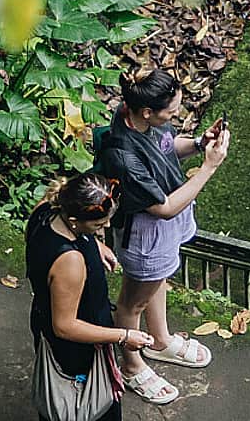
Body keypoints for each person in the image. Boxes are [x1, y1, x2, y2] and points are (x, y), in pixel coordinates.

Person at [95, 67, 231, 404]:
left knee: (158, 281)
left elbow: (167, 146)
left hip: (165, 225)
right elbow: (164, 208)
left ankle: (159, 340)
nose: (176, 115)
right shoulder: (124, 157)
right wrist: (210, 167)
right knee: (132, 302)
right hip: (146, 234)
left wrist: (199, 144)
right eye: (171, 111)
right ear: (147, 112)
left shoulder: (137, 114)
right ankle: (131, 365)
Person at [25, 173, 154, 421]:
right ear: (75, 221)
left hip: (44, 317)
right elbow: (64, 326)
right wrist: (124, 336)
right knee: (86, 401)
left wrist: (95, 245)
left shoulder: (46, 209)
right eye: (98, 225)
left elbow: (64, 233)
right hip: (77, 350)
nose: (106, 227)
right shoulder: (70, 262)